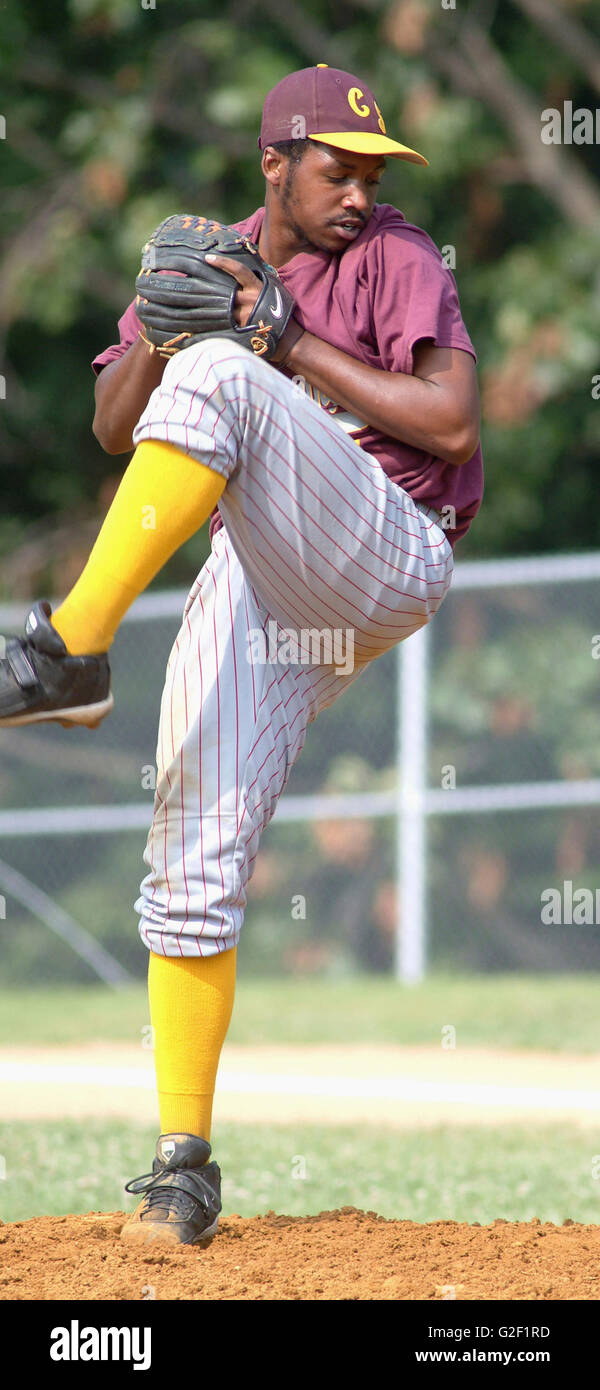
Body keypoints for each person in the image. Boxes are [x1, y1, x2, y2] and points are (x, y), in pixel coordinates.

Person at [0, 65, 482, 1246]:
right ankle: (182, 1165)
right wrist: (164, 331)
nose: (361, 192)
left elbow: (456, 421)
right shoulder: (215, 259)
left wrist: (286, 339)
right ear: (275, 162)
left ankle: (69, 648)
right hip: (268, 574)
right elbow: (115, 428)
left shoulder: (397, 257)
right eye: (338, 167)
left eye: (374, 172)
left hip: (388, 543)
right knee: (189, 857)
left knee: (229, 364)